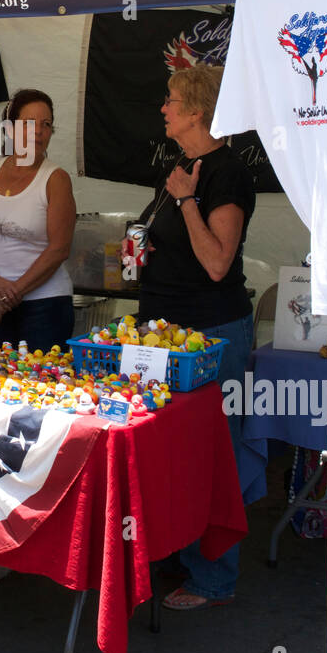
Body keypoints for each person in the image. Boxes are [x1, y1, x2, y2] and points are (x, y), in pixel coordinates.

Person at [136, 64, 255, 610]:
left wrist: (186, 202)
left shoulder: (225, 173)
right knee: (166, 446)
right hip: (162, 332)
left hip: (209, 333)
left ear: (197, 110)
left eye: (171, 99)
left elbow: (215, 263)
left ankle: (214, 576)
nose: (163, 107)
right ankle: (174, 555)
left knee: (212, 452)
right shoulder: (182, 165)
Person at [0, 89, 76, 352]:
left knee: (41, 388)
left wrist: (10, 295)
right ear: (10, 130)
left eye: (46, 124)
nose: (38, 131)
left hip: (45, 307)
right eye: (29, 124)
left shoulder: (55, 179)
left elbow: (59, 249)